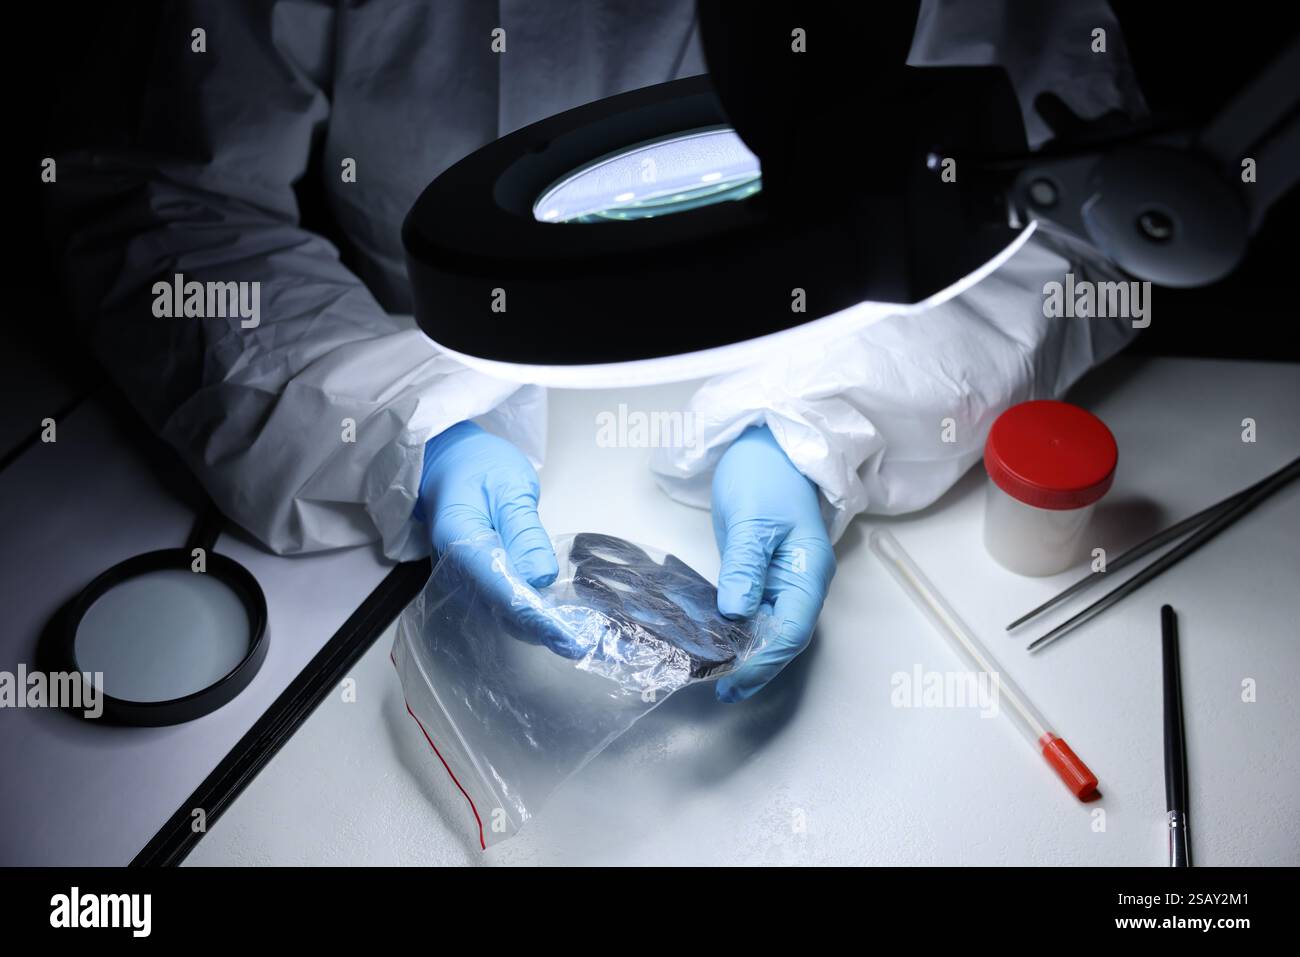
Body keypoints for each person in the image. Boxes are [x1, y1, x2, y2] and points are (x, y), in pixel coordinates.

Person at [43, 0, 1142, 702]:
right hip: (440, 371)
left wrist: (826, 421)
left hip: (830, 346)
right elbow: (164, 201)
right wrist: (400, 426)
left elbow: (1075, 211)